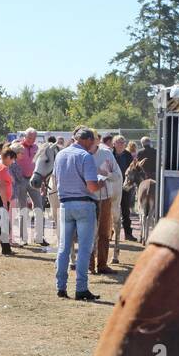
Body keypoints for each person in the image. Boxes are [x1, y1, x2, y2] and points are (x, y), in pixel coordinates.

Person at [54, 127, 103, 301]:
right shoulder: (85, 157)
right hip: (84, 204)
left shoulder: (60, 155)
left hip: (65, 204)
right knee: (84, 248)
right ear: (87, 140)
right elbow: (92, 186)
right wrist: (100, 184)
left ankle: (60, 286)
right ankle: (81, 288)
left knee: (63, 247)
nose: (93, 146)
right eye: (93, 142)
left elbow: (56, 179)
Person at [91, 134, 120, 275]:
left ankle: (102, 264)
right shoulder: (80, 154)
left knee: (104, 232)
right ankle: (89, 265)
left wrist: (105, 174)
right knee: (88, 233)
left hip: (105, 198)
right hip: (87, 197)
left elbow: (118, 176)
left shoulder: (107, 154)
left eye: (93, 138)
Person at [113, 135, 135, 241]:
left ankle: (128, 233)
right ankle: (110, 233)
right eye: (119, 142)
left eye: (123, 142)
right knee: (110, 210)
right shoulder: (110, 154)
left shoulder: (128, 155)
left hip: (125, 186)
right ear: (114, 144)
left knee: (125, 210)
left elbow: (132, 169)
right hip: (112, 186)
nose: (121, 144)